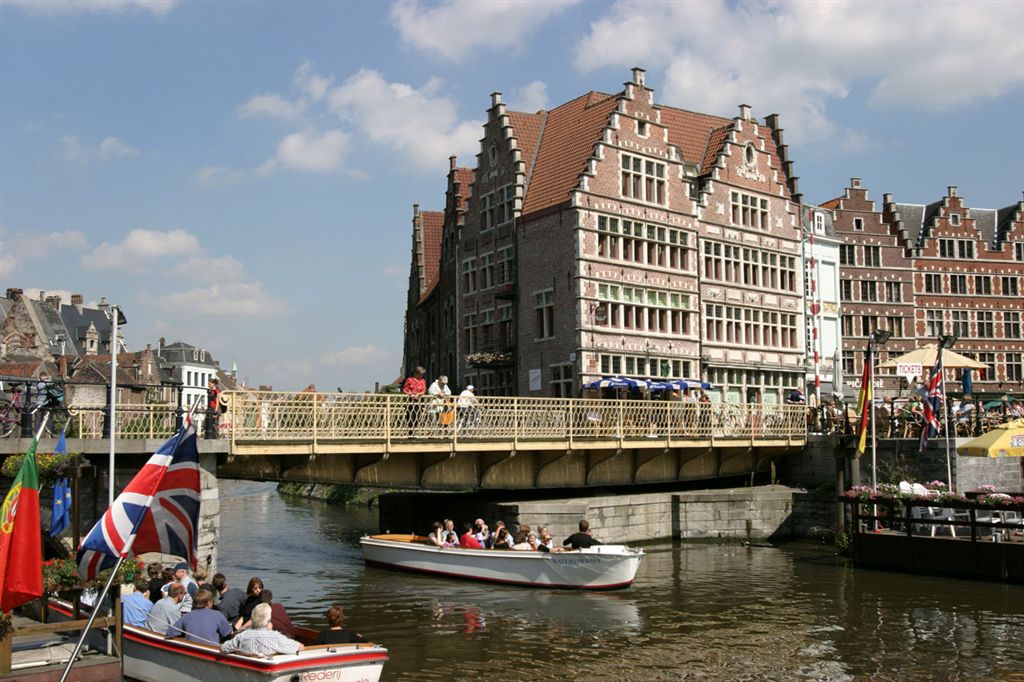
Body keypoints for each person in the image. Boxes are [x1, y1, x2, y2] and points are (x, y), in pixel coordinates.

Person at [221, 603, 304, 656]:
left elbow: (223, 648)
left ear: (252, 619)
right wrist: (278, 652)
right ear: (268, 620)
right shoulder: (275, 637)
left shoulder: (241, 636)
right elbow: (300, 647)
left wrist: (238, 652)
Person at [402, 366, 427, 433]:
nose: (421, 375)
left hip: (418, 400)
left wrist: (419, 394)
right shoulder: (409, 380)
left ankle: (414, 430)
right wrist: (409, 393)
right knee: (409, 415)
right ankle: (410, 431)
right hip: (410, 400)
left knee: (417, 415)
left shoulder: (422, 381)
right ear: (416, 373)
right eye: (420, 374)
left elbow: (424, 390)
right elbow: (404, 389)